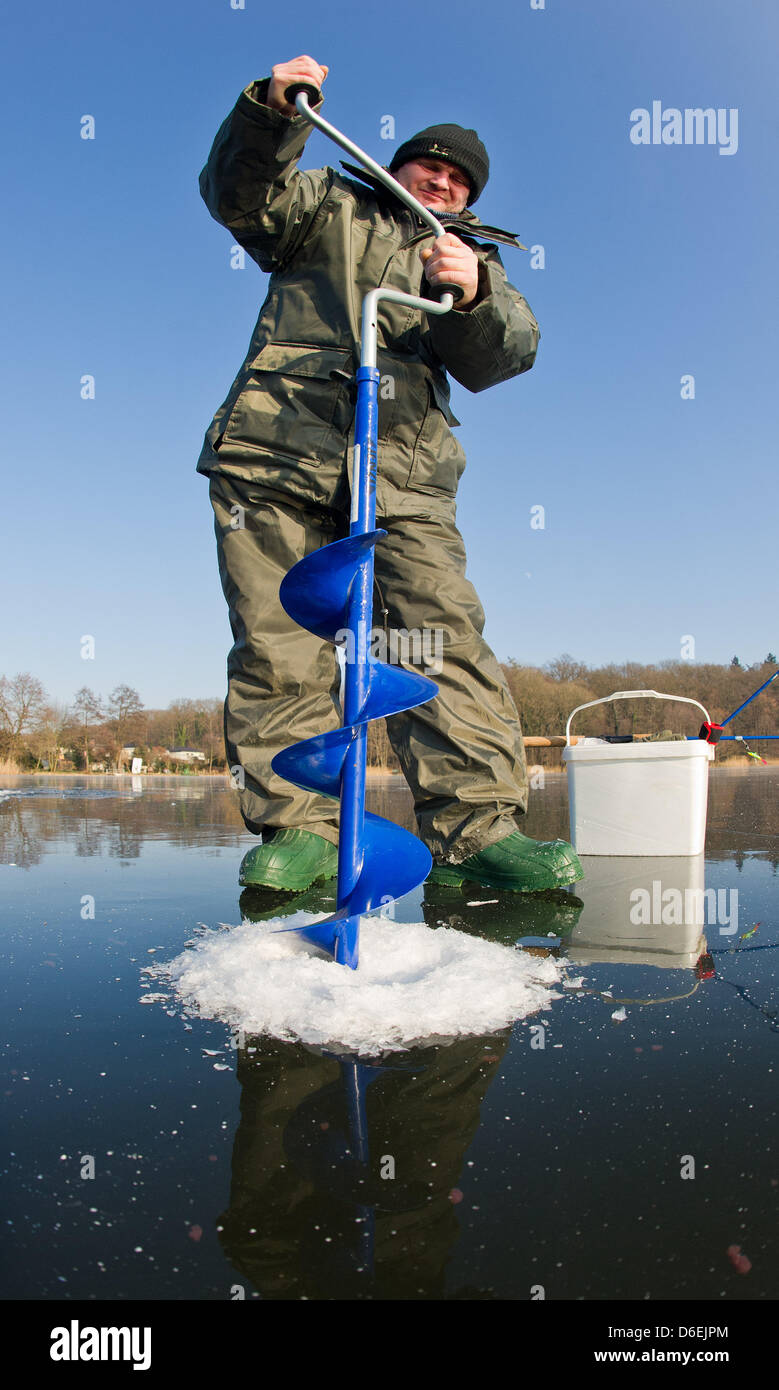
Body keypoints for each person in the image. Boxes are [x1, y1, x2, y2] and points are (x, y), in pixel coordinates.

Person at [197, 55, 582, 895]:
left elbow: (505, 356)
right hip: (274, 455)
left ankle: (477, 833)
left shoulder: (472, 259)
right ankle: (297, 830)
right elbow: (241, 195)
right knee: (279, 642)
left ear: (469, 198)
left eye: (456, 178)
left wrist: (475, 291)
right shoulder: (324, 207)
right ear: (397, 166)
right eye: (428, 165)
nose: (439, 181)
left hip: (404, 480)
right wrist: (271, 112)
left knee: (435, 642)